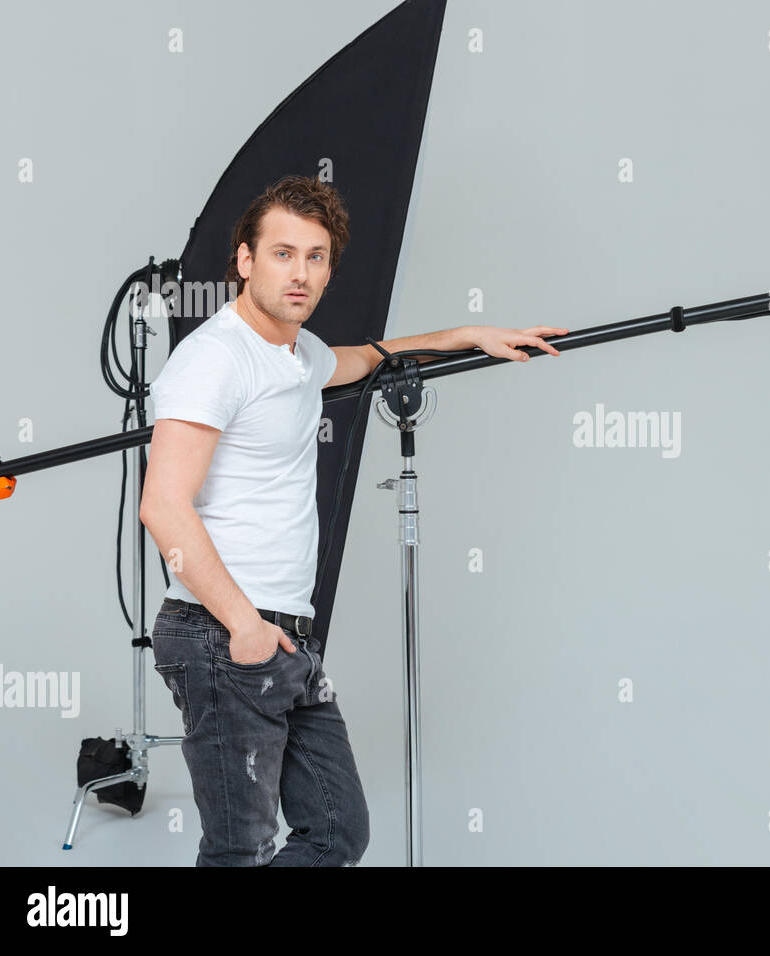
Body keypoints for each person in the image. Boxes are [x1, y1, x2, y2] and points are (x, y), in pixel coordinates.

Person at [139, 174, 566, 865]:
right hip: (222, 634)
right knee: (239, 849)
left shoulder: (299, 355)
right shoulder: (213, 359)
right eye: (282, 253)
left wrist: (468, 335)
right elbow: (161, 505)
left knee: (338, 833)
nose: (300, 272)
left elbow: (370, 357)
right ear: (245, 261)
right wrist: (243, 624)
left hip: (289, 639)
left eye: (315, 256)